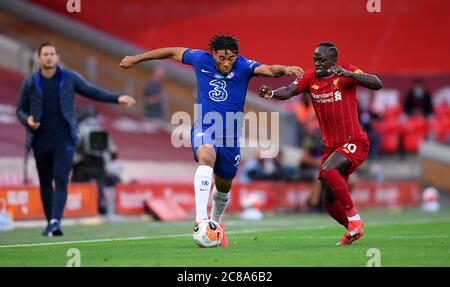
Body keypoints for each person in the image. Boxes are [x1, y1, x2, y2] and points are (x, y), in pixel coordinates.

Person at [119, 34, 303, 247]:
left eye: (231, 58)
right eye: (222, 57)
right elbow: (170, 51)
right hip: (205, 126)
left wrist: (286, 69)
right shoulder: (200, 59)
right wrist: (135, 58)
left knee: (224, 185)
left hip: (231, 135)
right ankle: (200, 220)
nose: (226, 62)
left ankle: (215, 226)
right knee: (206, 155)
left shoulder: (243, 66)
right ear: (213, 54)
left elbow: (269, 70)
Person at [259, 42, 382, 246]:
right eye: (315, 58)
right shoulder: (310, 78)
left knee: (327, 170)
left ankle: (355, 219)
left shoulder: (347, 72)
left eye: (321, 59)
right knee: (328, 202)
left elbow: (377, 83)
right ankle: (353, 230)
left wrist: (349, 75)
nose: (317, 62)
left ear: (333, 60)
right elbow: (289, 91)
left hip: (355, 142)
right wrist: (272, 94)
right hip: (331, 147)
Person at [16, 43, 135, 236]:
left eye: (52, 54)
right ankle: (50, 222)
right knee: (45, 182)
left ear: (57, 57)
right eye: (45, 54)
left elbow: (91, 90)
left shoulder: (68, 78)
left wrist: (116, 98)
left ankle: (56, 222)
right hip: (40, 140)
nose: (48, 57)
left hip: (64, 140)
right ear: (39, 58)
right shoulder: (30, 83)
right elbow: (19, 109)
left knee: (61, 179)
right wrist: (27, 119)